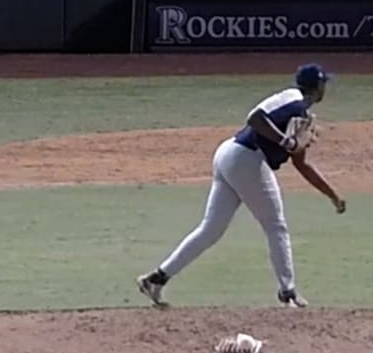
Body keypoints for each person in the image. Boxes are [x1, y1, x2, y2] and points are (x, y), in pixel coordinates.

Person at [136, 64, 346, 309]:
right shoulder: (294, 100)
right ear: (318, 86)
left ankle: (156, 278)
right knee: (276, 226)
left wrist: (332, 195)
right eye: (324, 84)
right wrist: (286, 141)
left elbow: (301, 163)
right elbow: (255, 118)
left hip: (232, 157)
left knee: (211, 229)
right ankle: (288, 293)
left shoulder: (301, 115)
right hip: (246, 158)